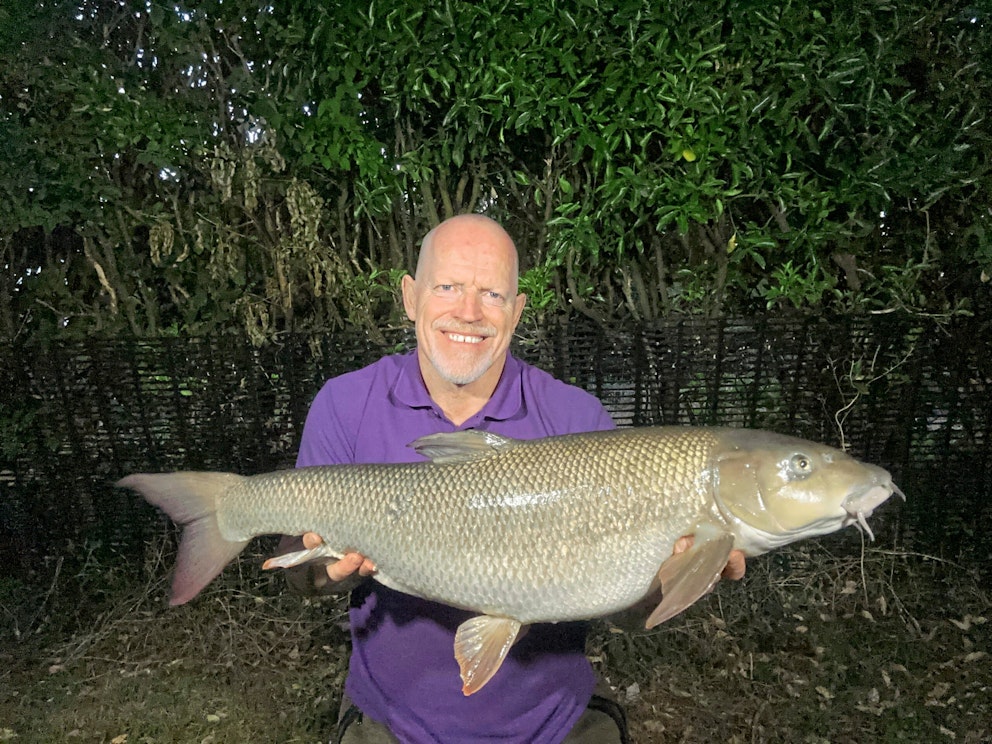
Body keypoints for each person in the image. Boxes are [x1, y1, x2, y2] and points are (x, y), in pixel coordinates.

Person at [277, 214, 745, 743]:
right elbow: (299, 571)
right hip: (390, 723)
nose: (469, 312)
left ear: (517, 311)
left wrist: (681, 575)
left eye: (492, 294)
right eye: (448, 286)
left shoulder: (576, 420)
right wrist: (328, 571)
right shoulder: (345, 404)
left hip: (557, 723)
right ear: (410, 297)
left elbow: (628, 613)